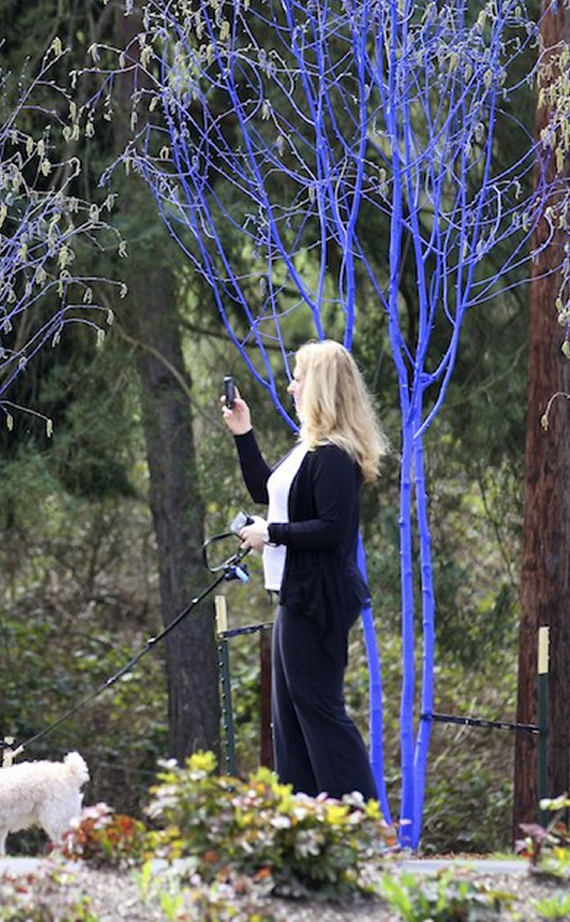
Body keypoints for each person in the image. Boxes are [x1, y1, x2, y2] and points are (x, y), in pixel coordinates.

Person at [221, 339, 385, 801]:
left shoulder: (334, 454)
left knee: (319, 711)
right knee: (289, 719)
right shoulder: (308, 450)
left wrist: (271, 534)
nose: (291, 388)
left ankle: (361, 823)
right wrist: (243, 433)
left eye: (298, 379)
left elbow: (332, 529)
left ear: (320, 389)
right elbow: (264, 491)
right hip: (295, 597)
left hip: (318, 600)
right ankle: (305, 821)